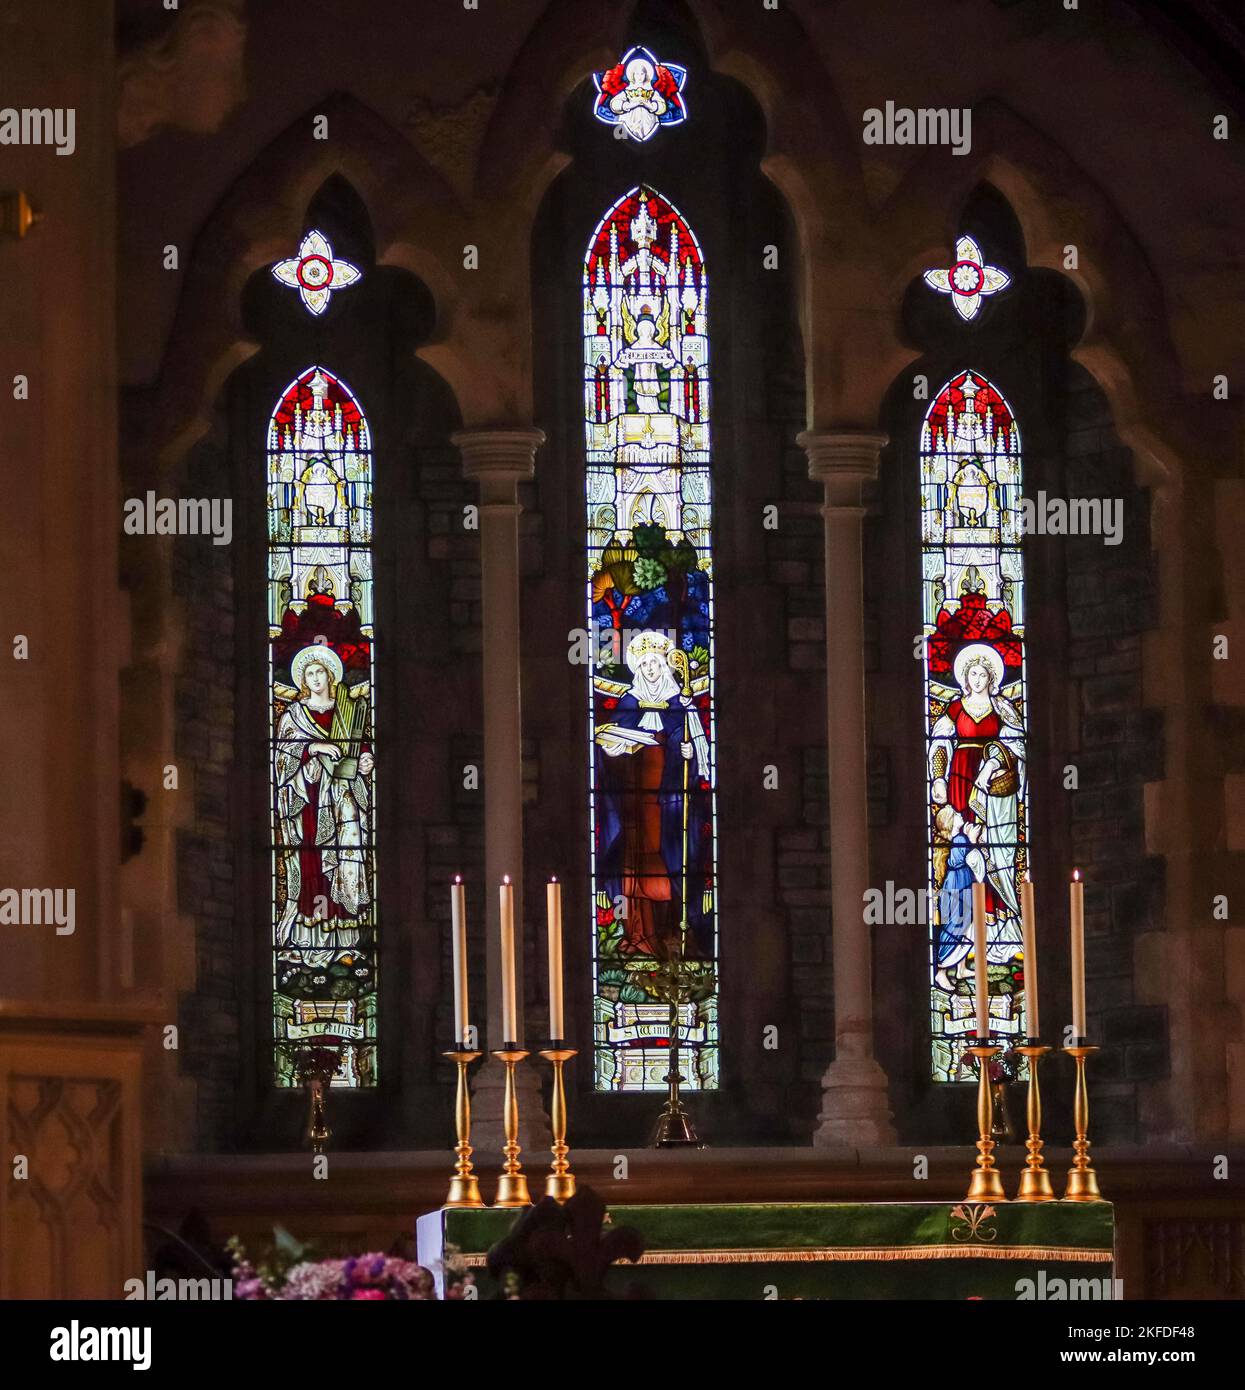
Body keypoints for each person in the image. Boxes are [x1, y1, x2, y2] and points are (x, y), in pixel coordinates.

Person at [594, 631, 710, 956]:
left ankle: (675, 935)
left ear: (664, 666)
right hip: (635, 802)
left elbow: (691, 747)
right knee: (635, 861)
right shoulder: (629, 702)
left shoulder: (679, 705)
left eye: (655, 664)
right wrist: (620, 742)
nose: (649, 670)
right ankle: (639, 936)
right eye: (643, 665)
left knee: (672, 860)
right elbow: (611, 742)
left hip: (669, 800)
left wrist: (686, 750)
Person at [274, 644, 373, 962]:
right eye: (309, 673)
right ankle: (309, 944)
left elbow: (360, 742)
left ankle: (345, 944)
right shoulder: (294, 717)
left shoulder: (346, 709)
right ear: (303, 680)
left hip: (343, 799)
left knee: (343, 862)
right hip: (310, 799)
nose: (315, 677)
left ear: (331, 675)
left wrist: (367, 760)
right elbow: (282, 760)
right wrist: (313, 749)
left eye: (320, 672)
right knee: (313, 864)